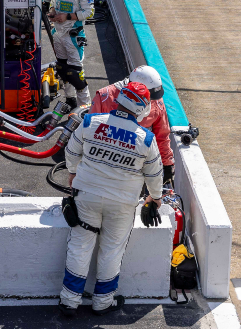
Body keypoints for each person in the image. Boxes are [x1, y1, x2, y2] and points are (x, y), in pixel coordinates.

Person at [60, 81, 163, 317]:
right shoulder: (146, 139)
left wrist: (73, 173)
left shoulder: (90, 122)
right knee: (111, 251)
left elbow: (71, 151)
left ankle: (69, 301)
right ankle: (102, 302)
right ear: (142, 108)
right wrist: (155, 198)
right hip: (122, 204)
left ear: (119, 99)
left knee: (80, 245)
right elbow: (155, 175)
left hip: (86, 196)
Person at [90, 65, 174, 184]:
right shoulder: (105, 97)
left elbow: (162, 136)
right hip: (104, 162)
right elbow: (89, 132)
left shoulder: (157, 103)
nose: (151, 101)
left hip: (135, 166)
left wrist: (167, 164)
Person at [48, 0, 94, 107]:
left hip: (73, 35)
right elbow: (53, 3)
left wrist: (67, 16)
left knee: (75, 73)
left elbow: (89, 12)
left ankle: (85, 107)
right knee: (62, 69)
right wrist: (52, 12)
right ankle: (70, 99)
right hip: (58, 33)